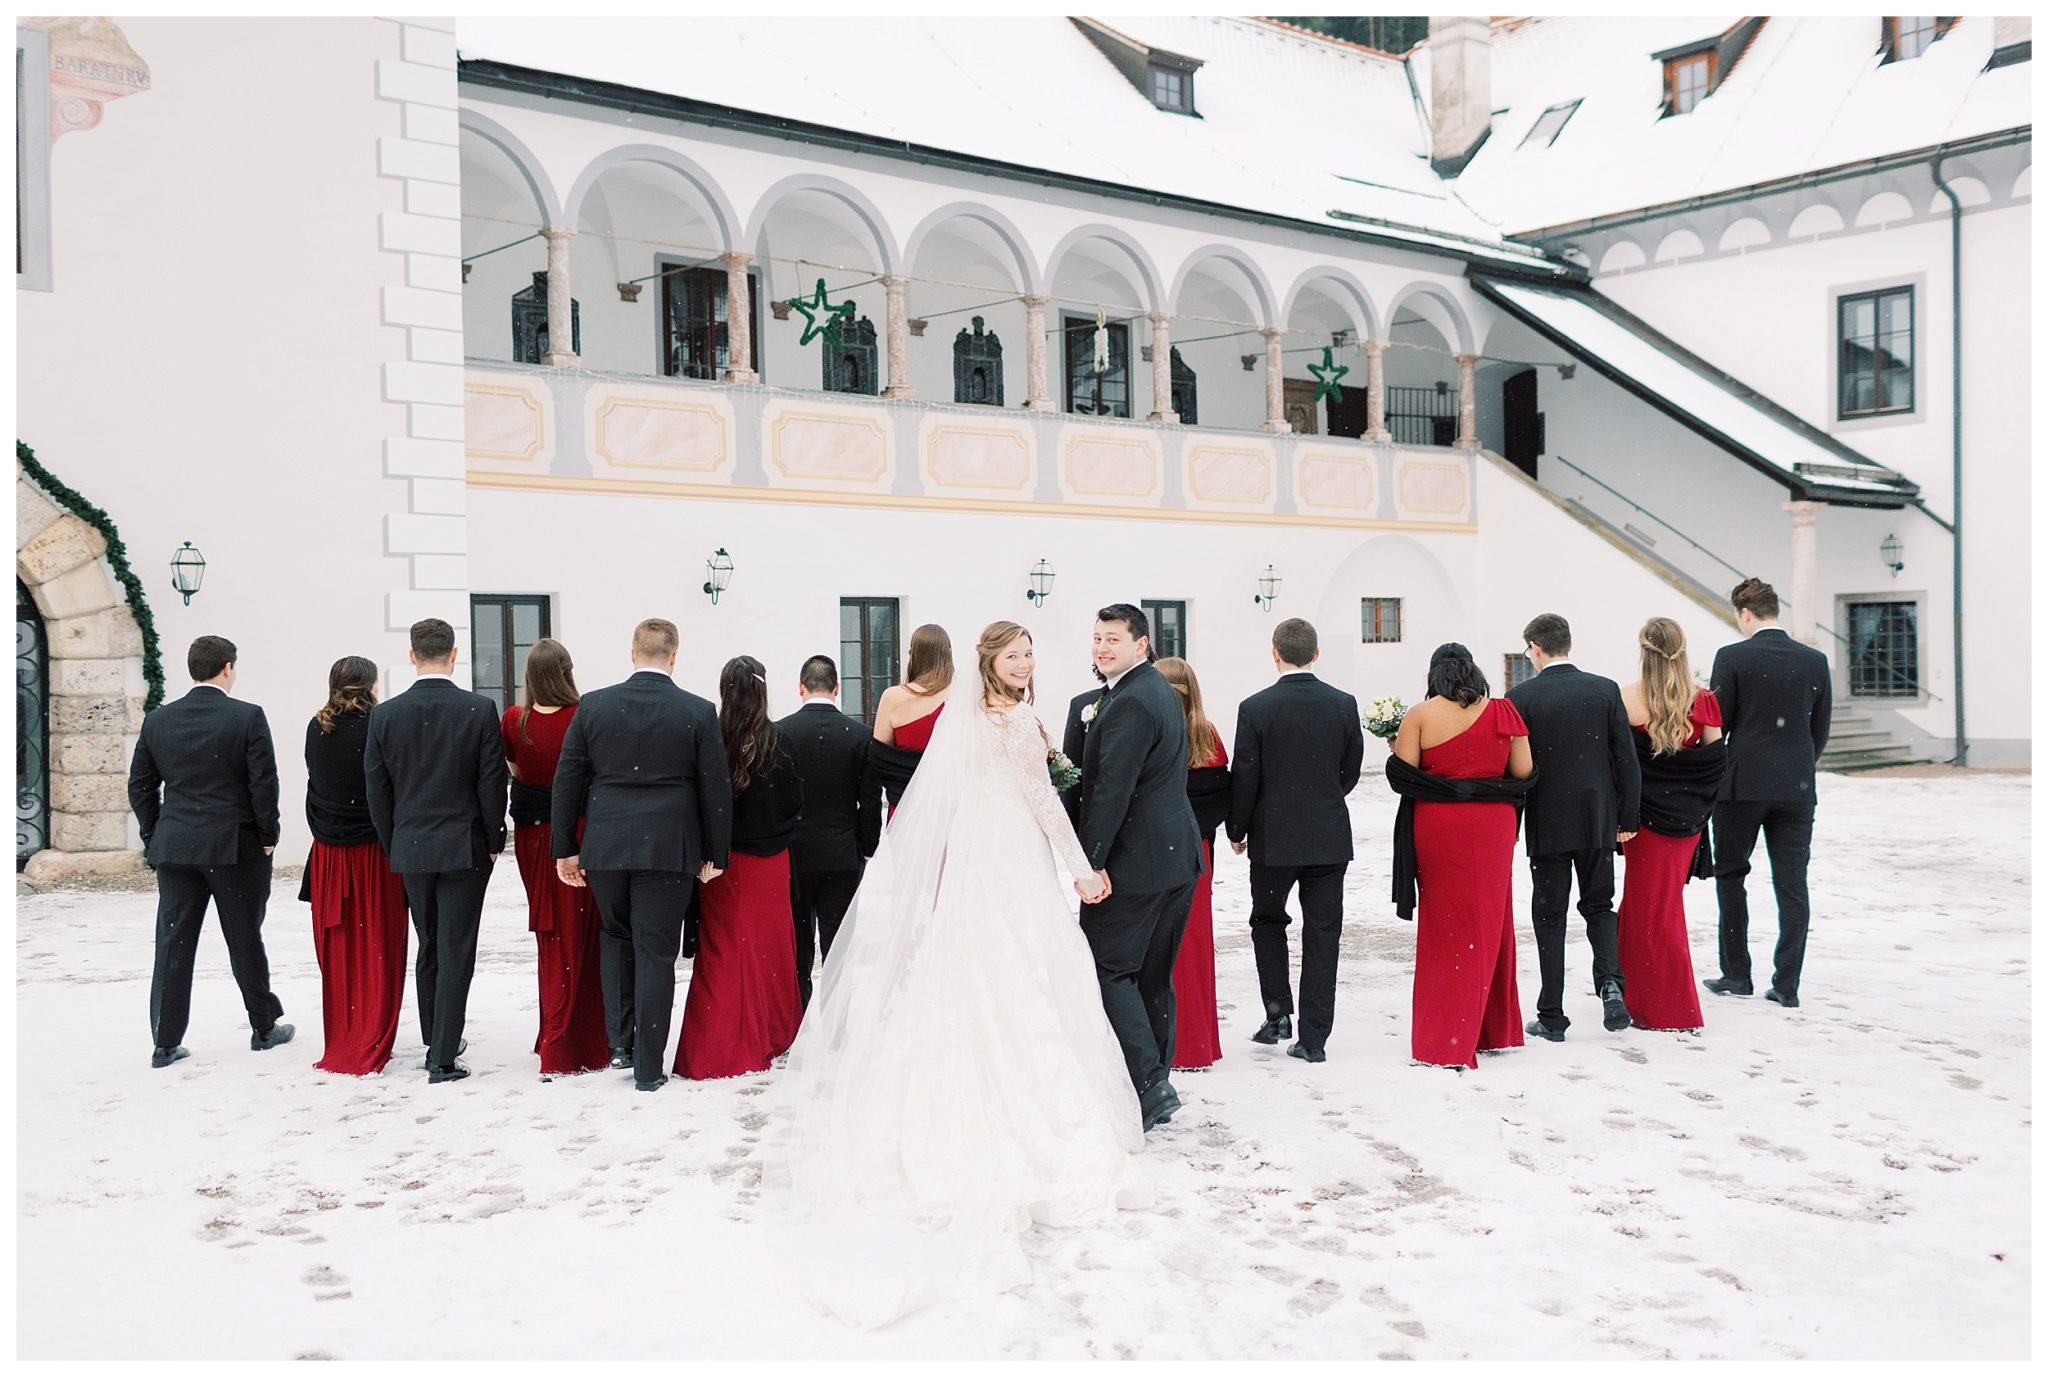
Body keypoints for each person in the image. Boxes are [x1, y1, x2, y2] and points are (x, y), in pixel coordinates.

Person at [770, 620, 1145, 1329]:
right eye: (1013, 655)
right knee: (1021, 969)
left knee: (981, 966)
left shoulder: (968, 717)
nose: (1024, 662)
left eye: (1030, 652)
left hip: (978, 852)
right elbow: (1041, 801)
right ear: (988, 663)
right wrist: (1081, 868)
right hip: (1008, 858)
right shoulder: (1017, 718)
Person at [552, 618, 730, 1092]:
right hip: (669, 847)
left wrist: (565, 847)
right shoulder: (697, 711)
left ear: (632, 654)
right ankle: (649, 1067)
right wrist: (716, 851)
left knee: (616, 937)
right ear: (674, 657)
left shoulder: (594, 706)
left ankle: (620, 1043)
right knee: (656, 951)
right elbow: (715, 788)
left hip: (607, 843)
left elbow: (567, 779)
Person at [127, 635, 292, 1068]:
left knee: (173, 942)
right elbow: (263, 783)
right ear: (227, 668)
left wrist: (155, 834)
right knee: (244, 938)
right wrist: (268, 834)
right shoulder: (247, 716)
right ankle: (263, 1026)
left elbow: (140, 785)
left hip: (176, 846)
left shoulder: (159, 720)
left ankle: (165, 1041)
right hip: (233, 846)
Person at [1073, 604, 1204, 1124]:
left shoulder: (1130, 700)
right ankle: (1156, 1084)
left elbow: (1112, 789)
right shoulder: (1154, 689)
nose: (1103, 648)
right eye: (1097, 638)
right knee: (1151, 976)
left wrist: (1091, 862)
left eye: (1114, 639)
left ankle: (1148, 1086)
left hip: (1137, 862)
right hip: (1174, 856)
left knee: (1108, 970)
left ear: (1141, 644)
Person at [365, 618, 509, 1084]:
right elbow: (492, 784)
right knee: (455, 948)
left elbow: (377, 791)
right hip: (464, 846)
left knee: (429, 943)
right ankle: (442, 1055)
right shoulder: (478, 709)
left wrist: (393, 842)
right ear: (454, 655)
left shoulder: (386, 715)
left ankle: (436, 1036)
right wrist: (493, 839)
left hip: (412, 844)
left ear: (412, 656)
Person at [1225, 617, 1365, 1064]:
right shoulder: (1343, 703)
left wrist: (1237, 828)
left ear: (1274, 653)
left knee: (1268, 922)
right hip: (1327, 835)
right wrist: (1323, 797)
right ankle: (1315, 1037)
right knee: (1323, 933)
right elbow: (1350, 770)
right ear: (1316, 654)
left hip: (1274, 837)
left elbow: (1245, 775)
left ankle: (1277, 1014)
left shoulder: (1256, 707)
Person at [1389, 644, 1536, 1069]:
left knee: (1444, 925)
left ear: (1435, 675)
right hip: (1493, 827)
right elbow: (1523, 773)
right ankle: (1488, 1029)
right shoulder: (1505, 712)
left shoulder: (1420, 715)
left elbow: (1405, 774)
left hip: (1439, 826)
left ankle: (1446, 1036)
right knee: (1490, 920)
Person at [1505, 612, 1640, 1043]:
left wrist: (1511, 824)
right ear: (1568, 643)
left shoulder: (1520, 697)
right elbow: (1626, 760)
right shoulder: (1604, 689)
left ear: (1535, 648)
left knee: (1550, 916)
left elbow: (1515, 769)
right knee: (1600, 906)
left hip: (1547, 821)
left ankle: (1552, 1014)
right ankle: (1611, 985)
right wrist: (1626, 818)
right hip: (1597, 818)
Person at [1704, 578, 1831, 1009]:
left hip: (1741, 784)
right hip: (1796, 786)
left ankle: (1737, 973)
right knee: (1792, 884)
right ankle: (1787, 984)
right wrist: (1796, 765)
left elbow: (1718, 723)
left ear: (1745, 613)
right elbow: (1819, 730)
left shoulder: (1732, 657)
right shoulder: (1815, 660)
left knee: (1731, 875)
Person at [676, 655, 806, 1080]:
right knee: (770, 949)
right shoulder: (780, 741)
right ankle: (772, 1033)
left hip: (723, 862)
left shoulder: (712, 737)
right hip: (770, 863)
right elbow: (794, 803)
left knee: (723, 951)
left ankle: (716, 1044)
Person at [501, 638, 610, 1078]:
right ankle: (576, 1035)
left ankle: (554, 1027)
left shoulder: (515, 720)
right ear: (567, 672)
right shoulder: (584, 715)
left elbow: (516, 771)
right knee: (582, 931)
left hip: (533, 836)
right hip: (577, 832)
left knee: (551, 931)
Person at [301, 655, 408, 1075]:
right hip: (373, 850)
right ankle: (372, 1034)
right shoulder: (380, 725)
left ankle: (345, 1035)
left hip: (330, 852)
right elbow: (388, 789)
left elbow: (314, 785)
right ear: (371, 685)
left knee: (340, 950)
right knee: (379, 946)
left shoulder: (317, 727)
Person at [1618, 618, 1726, 1033]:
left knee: (1650, 909)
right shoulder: (1703, 700)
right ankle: (1636, 994)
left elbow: (1620, 763)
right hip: (1687, 820)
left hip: (1643, 819)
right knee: (1652, 906)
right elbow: (1715, 762)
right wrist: (1695, 806)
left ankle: (1668, 1008)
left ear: (1643, 652)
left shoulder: (1625, 699)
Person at [778, 654, 882, 1008]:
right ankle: (835, 1023)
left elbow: (776, 798)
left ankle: (799, 1019)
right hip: (842, 854)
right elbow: (870, 799)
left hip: (794, 855)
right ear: (837, 688)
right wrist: (865, 846)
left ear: (801, 688)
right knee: (838, 946)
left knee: (798, 947)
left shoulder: (782, 733)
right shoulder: (861, 735)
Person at [1155, 657, 1228, 1071]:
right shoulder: (1208, 735)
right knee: (1194, 943)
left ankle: (1171, 1043)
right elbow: (1220, 796)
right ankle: (1197, 1042)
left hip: (1158, 847)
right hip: (1198, 849)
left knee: (1160, 944)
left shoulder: (1154, 732)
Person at [864, 623, 953, 811]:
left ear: (914, 655)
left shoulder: (893, 697)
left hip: (904, 802)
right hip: (948, 803)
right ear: (948, 654)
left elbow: (879, 756)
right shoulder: (959, 696)